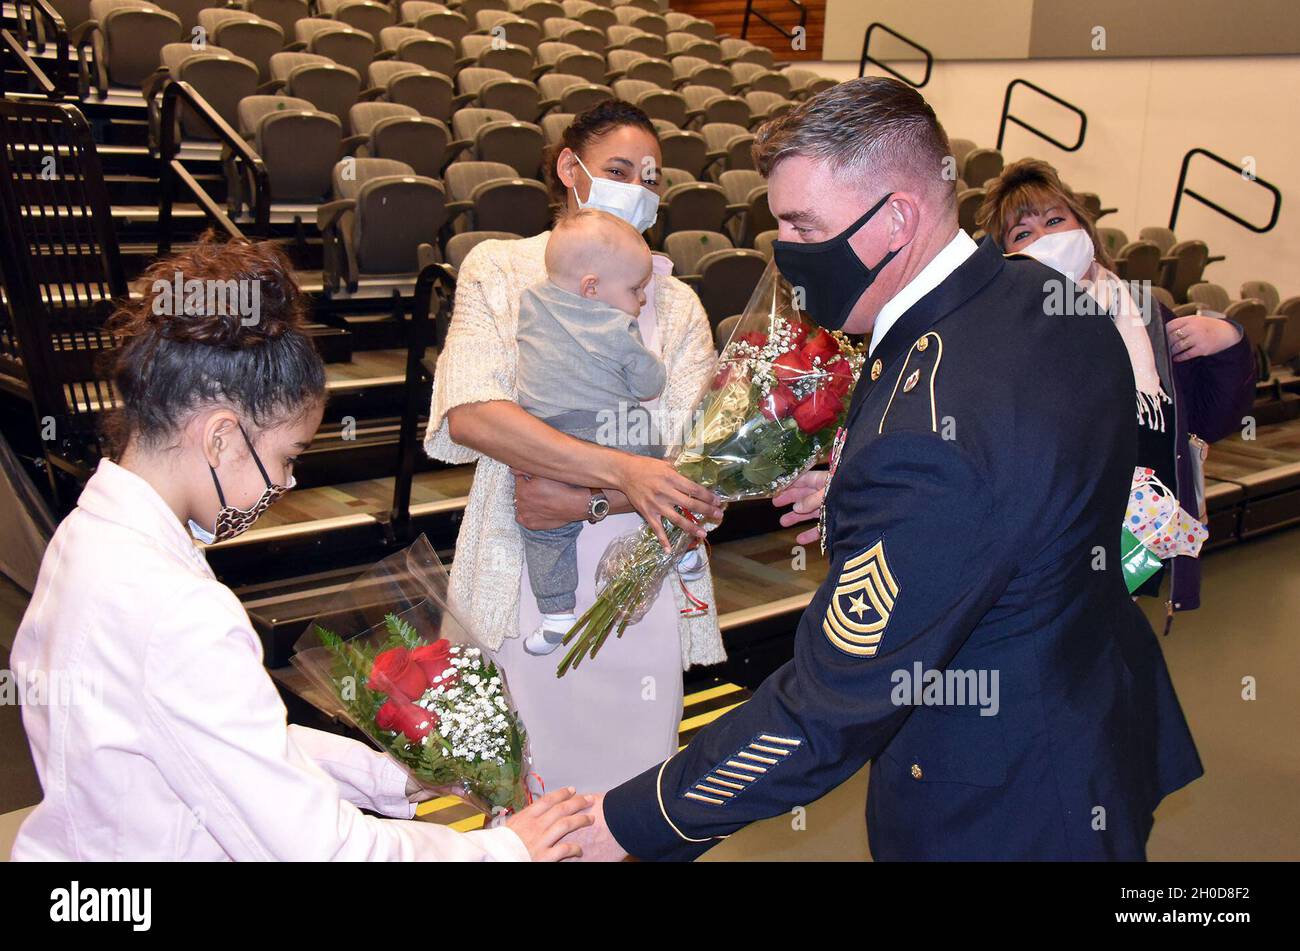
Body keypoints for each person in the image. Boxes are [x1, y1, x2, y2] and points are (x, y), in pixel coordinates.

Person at [572, 77, 1203, 861]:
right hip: (1095, 730)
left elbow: (823, 710)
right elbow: (1020, 485)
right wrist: (861, 495)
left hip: (1001, 806)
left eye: (802, 225)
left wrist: (632, 820)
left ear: (898, 216)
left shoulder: (928, 437)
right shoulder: (1044, 295)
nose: (788, 252)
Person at [9, 237, 591, 861]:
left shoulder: (89, 533)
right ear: (221, 437)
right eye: (286, 457)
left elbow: (230, 746)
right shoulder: (176, 611)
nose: (286, 484)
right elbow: (321, 851)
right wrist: (504, 851)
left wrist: (394, 776)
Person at [425, 100, 727, 792]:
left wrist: (583, 497)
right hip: (520, 574)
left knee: (632, 796)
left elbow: (702, 475)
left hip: (639, 584)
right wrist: (623, 469)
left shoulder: (676, 302)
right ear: (570, 168)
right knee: (525, 795)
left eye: (652, 177)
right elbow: (473, 414)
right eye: (619, 170)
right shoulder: (498, 268)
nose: (639, 190)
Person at [976, 159, 1255, 617]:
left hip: (1133, 543)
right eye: (1022, 234)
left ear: (1084, 228)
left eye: (1054, 220)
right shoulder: (992, 332)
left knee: (1107, 660)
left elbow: (1210, 418)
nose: (1045, 238)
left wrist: (1228, 346)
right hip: (1039, 553)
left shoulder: (1144, 313)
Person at [515, 208, 666, 655]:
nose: (641, 300)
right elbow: (648, 383)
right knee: (665, 479)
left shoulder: (529, 303)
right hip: (615, 427)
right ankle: (688, 547)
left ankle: (557, 612)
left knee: (545, 529)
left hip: (549, 439)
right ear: (592, 288)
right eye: (636, 289)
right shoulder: (616, 324)